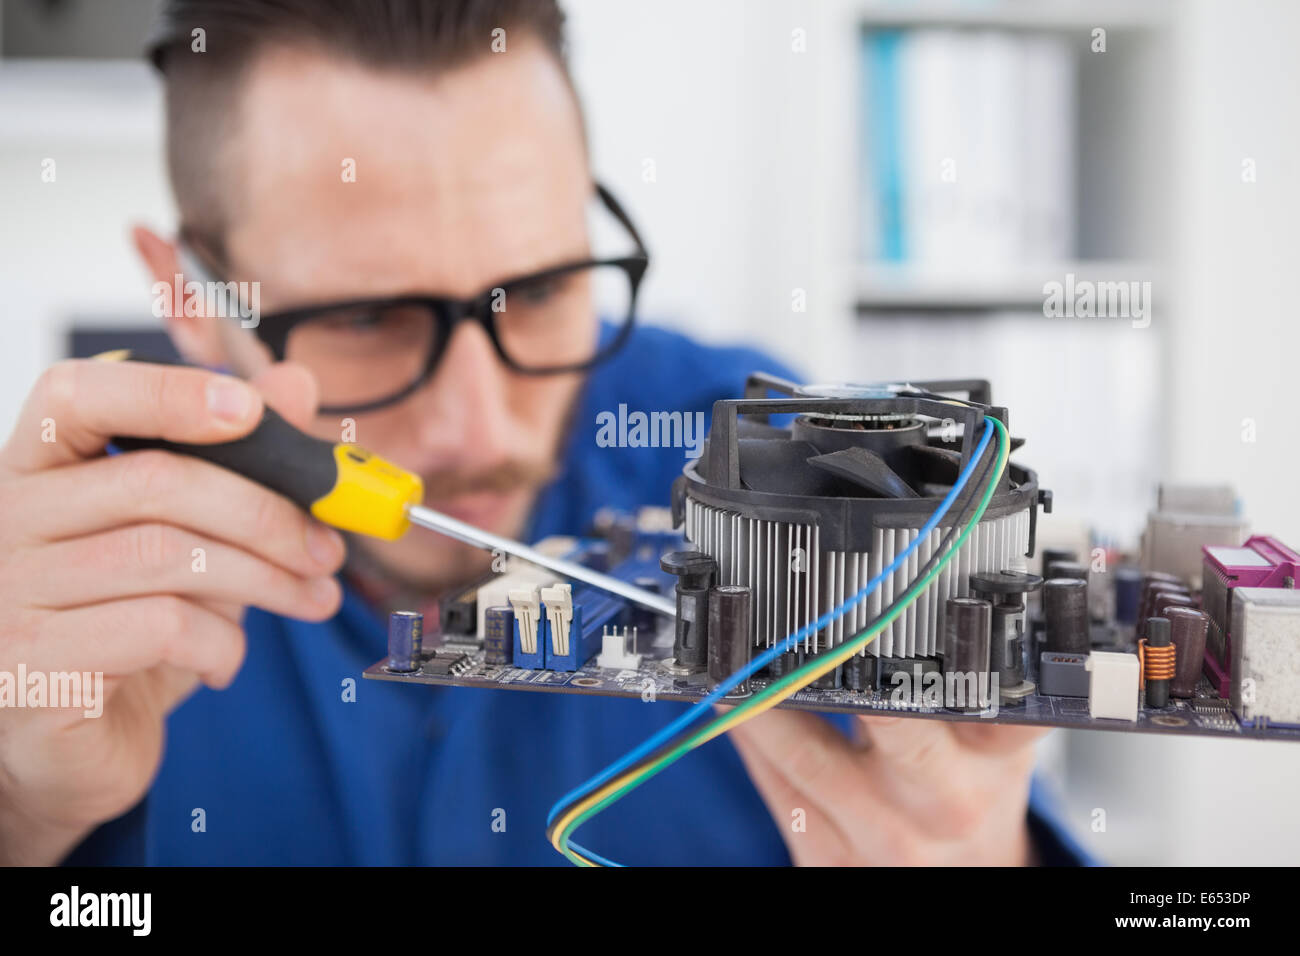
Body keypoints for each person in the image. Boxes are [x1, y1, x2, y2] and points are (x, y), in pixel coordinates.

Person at [0, 0, 1090, 866]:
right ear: (189, 300)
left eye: (538, 286)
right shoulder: (61, 589)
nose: (477, 424)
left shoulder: (790, 475)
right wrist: (18, 812)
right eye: (366, 318)